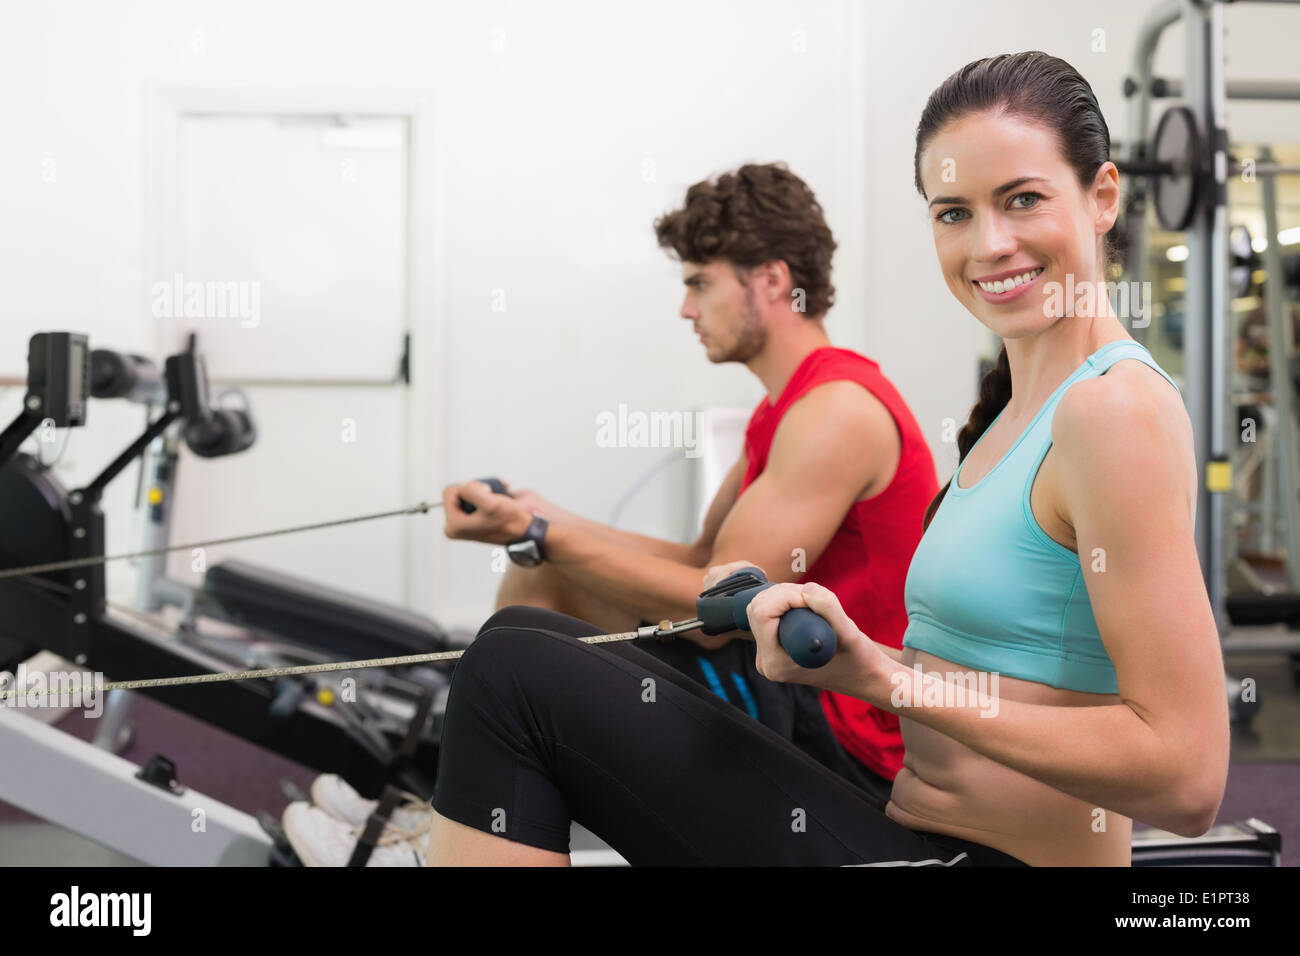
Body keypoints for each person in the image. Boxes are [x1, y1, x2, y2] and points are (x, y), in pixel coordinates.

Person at [423, 50, 1229, 866]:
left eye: (1023, 199)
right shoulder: (1015, 414)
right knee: (522, 639)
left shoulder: (1112, 408)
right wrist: (860, 661)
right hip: (910, 829)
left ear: (1102, 197)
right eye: (953, 213)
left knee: (513, 674)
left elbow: (1189, 778)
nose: (989, 243)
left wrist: (888, 685)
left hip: (977, 858)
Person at [442, 162, 938, 805]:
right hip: (787, 682)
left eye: (701, 284)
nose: (686, 309)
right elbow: (706, 562)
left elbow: (713, 618)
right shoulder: (784, 408)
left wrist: (540, 538)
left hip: (845, 737)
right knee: (543, 582)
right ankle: (466, 807)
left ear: (770, 281)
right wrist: (543, 515)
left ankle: (462, 814)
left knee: (543, 583)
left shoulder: (836, 411)